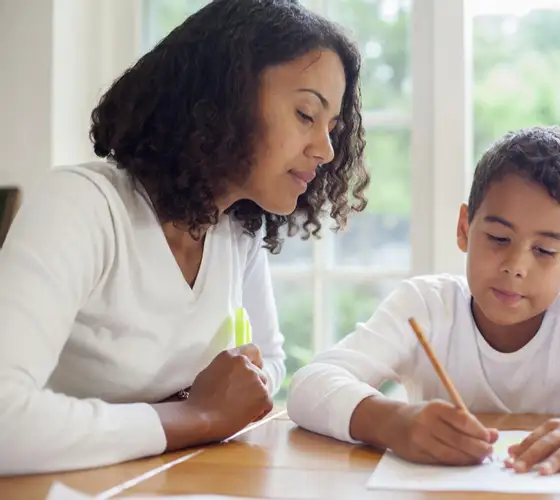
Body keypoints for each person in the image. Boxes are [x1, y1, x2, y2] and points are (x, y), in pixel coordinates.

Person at [0, 0, 368, 475]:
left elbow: (268, 364)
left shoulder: (238, 230)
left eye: (332, 127)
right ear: (224, 96)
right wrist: (195, 415)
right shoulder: (82, 205)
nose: (324, 149)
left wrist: (210, 405)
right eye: (305, 114)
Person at [287, 126, 560, 475]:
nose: (516, 266)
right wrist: (391, 422)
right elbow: (310, 385)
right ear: (465, 228)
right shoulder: (424, 306)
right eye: (499, 237)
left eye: (545, 251)